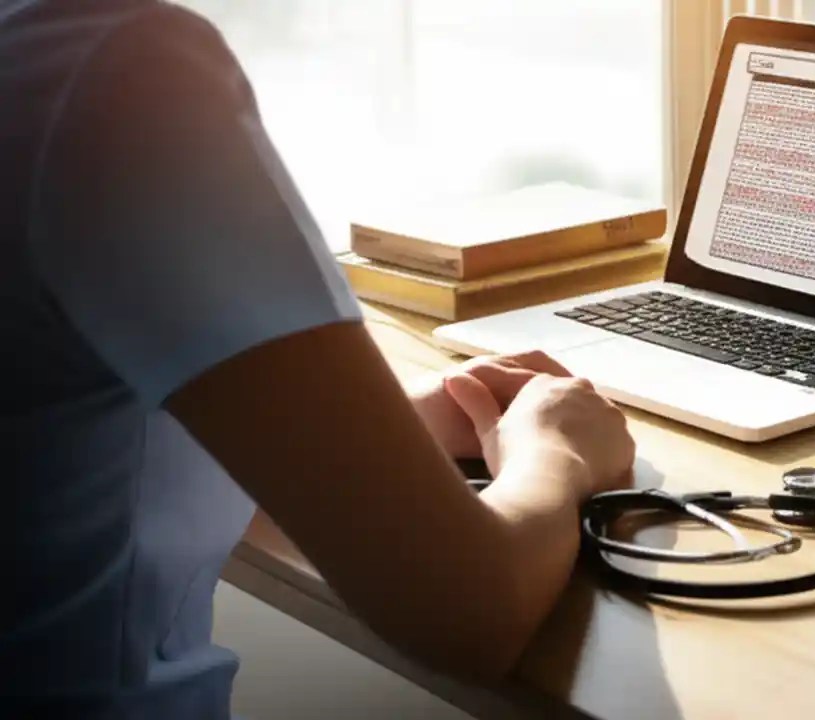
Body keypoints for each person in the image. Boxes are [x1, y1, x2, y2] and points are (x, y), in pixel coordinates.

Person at [0, 0, 637, 716]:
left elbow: (62, 438)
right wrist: (558, 454)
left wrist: (372, 442)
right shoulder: (109, 69)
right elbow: (468, 610)